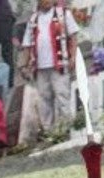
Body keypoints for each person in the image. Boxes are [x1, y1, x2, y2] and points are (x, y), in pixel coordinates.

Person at [21, 0, 78, 133]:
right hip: (40, 66)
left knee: (62, 95)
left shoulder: (64, 13)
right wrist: (24, 64)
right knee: (44, 100)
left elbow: (73, 37)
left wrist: (73, 57)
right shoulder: (33, 19)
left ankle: (68, 129)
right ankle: (49, 132)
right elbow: (27, 44)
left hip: (59, 63)